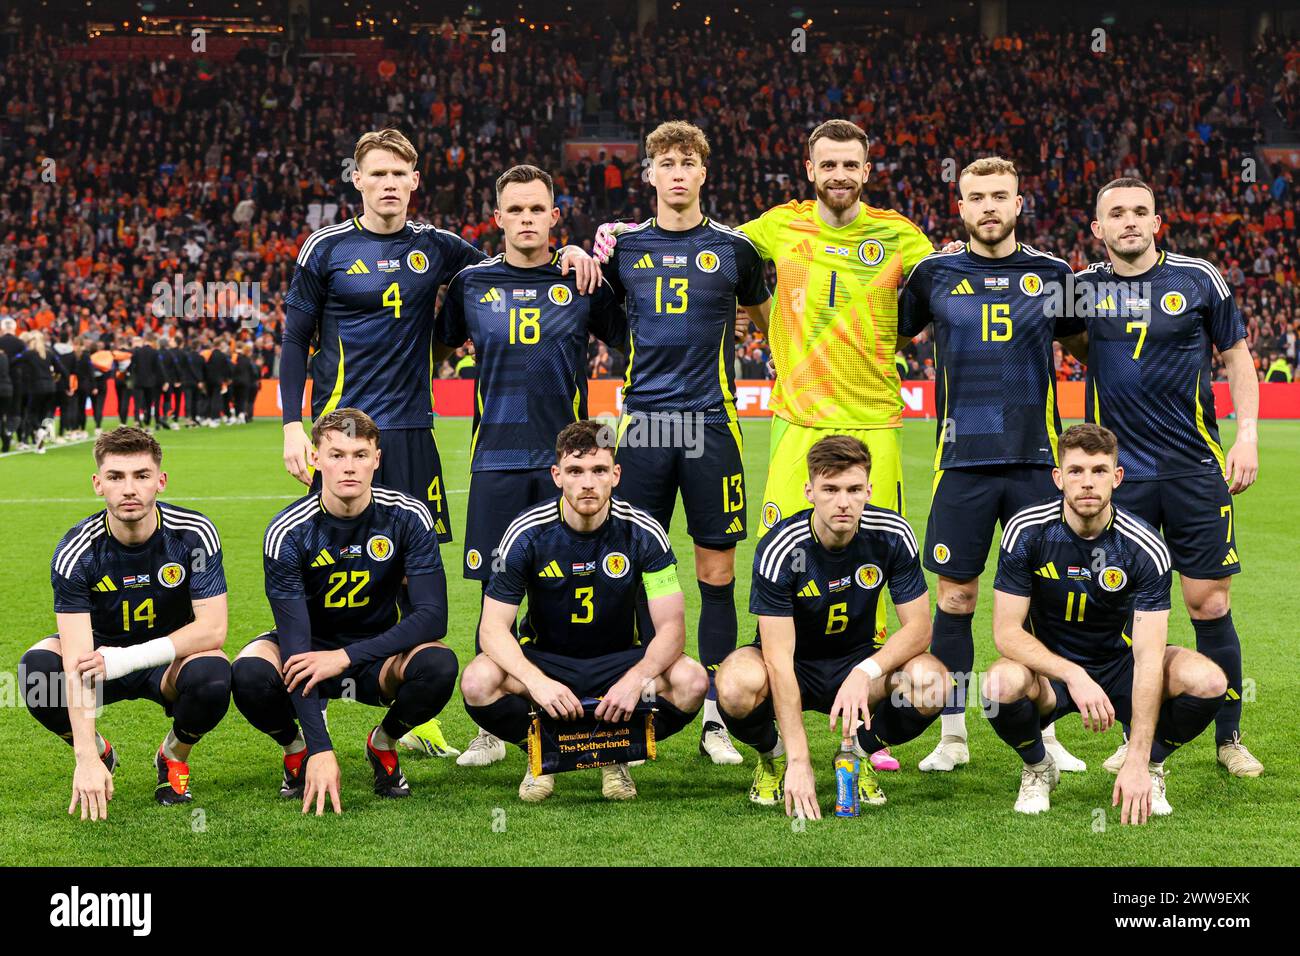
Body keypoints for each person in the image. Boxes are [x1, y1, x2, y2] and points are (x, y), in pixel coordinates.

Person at [279, 128, 602, 543]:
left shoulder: (436, 245)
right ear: (357, 179)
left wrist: (567, 253)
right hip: (344, 431)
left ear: (414, 180)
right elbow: (294, 341)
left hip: (413, 428)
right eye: (377, 174)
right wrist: (291, 426)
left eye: (399, 173)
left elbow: (510, 271)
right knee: (340, 556)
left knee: (418, 565)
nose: (389, 183)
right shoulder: (325, 247)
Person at [429, 163, 627, 767]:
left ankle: (585, 708)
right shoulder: (470, 283)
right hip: (493, 461)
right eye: (514, 210)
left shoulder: (580, 281)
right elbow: (437, 347)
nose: (526, 219)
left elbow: (630, 337)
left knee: (568, 586)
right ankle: (493, 726)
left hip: (567, 464)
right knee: (497, 593)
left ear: (553, 216)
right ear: (498, 218)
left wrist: (598, 264)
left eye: (537, 210)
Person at [897, 157, 1089, 774]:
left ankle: (1048, 734)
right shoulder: (933, 273)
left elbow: (1087, 346)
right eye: (976, 196)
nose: (988, 207)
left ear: (1018, 202)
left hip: (1037, 461)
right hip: (962, 462)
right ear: (960, 205)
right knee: (955, 598)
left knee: (1038, 602)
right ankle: (952, 734)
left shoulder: (1052, 273)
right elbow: (891, 338)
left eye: (999, 196)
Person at [1075, 178, 1262, 776]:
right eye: (1116, 214)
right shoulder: (1080, 291)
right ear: (1097, 229)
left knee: (1207, 603)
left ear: (1157, 222)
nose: (1129, 221)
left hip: (1192, 468)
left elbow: (1236, 356)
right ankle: (1140, 737)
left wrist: (1248, 434)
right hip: (1118, 477)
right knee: (1125, 609)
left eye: (1140, 212)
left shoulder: (1199, 278)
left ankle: (1228, 739)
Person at [599, 121, 772, 765]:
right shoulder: (621, 249)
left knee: (715, 573)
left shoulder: (735, 249)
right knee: (632, 570)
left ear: (704, 173)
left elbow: (766, 319)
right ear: (648, 174)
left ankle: (715, 717)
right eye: (664, 162)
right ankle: (635, 694)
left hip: (710, 425)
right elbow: (603, 316)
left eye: (687, 162)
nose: (676, 172)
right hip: (643, 424)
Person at [983, 424, 1227, 819]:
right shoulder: (1026, 531)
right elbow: (1006, 633)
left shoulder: (1145, 546)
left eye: (1099, 471)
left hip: (1120, 668)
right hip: (1050, 672)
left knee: (1209, 680)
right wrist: (1074, 675)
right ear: (1058, 478)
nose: (1087, 482)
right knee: (999, 684)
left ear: (1117, 478)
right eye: (1076, 471)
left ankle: (1150, 765)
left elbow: (1149, 659)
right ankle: (1038, 767)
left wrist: (1138, 756)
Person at [459, 419, 709, 802]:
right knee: (477, 681)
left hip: (619, 661)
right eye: (575, 471)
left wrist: (636, 678)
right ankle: (542, 749)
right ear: (557, 475)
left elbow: (672, 627)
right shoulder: (526, 532)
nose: (588, 482)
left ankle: (616, 752)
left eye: (599, 470)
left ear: (616, 475)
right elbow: (492, 629)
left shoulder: (644, 531)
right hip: (547, 660)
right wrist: (536, 681)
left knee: (691, 681)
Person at [231, 408, 456, 812]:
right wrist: (321, 749)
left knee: (438, 665)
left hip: (375, 655)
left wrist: (346, 657)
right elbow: (297, 646)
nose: (348, 467)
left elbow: (432, 617)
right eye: (336, 455)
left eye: (359, 454)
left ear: (377, 459)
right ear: (315, 459)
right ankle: (296, 750)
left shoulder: (408, 516)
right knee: (248, 673)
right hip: (308, 649)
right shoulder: (288, 531)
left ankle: (382, 743)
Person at [716, 435, 945, 815]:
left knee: (932, 683)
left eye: (854, 489)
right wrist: (799, 760)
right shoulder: (782, 548)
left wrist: (865, 671)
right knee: (735, 684)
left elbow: (920, 628)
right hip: (791, 666)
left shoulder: (892, 533)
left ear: (869, 489)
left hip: (857, 663)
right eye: (830, 489)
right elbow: (777, 660)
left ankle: (858, 753)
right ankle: (772, 757)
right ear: (809, 491)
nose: (843, 502)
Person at [19, 427, 231, 819]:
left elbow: (213, 629)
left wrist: (125, 658)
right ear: (98, 484)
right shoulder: (76, 551)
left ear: (161, 481)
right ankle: (101, 753)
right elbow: (77, 658)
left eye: (142, 476)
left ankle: (173, 756)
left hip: (168, 660)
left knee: (214, 674)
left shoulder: (194, 534)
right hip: (98, 661)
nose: (129, 489)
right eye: (116, 477)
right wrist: (84, 756)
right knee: (37, 672)